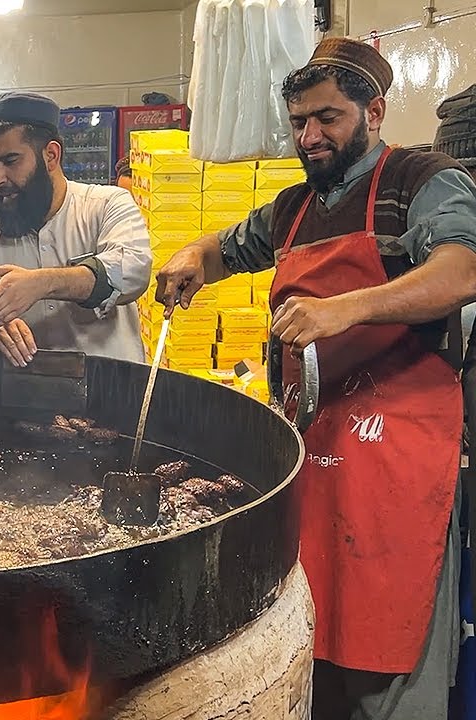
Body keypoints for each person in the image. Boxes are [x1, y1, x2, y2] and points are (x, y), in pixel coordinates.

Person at [155, 38, 476, 720]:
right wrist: (190, 257)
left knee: (389, 665)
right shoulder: (293, 207)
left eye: (328, 118)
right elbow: (223, 249)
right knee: (310, 645)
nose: (310, 137)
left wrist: (345, 308)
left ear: (374, 111)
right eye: (299, 121)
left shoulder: (422, 179)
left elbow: (461, 271)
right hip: (314, 451)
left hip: (397, 459)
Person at [0, 92, 151, 367]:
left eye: (10, 161)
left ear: (51, 155)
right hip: (21, 390)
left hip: (107, 387)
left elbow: (132, 271)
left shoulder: (105, 205)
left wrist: (42, 283)